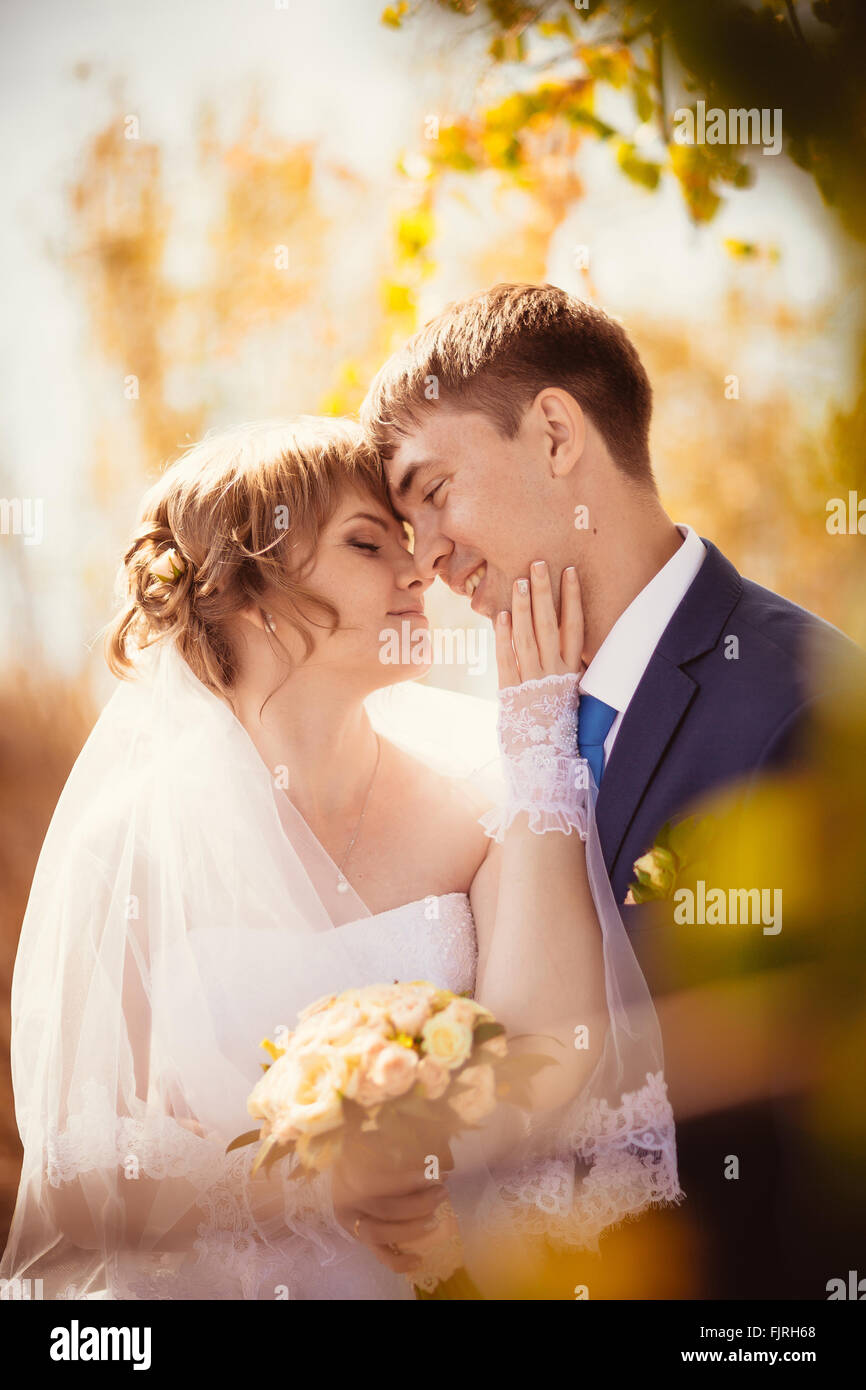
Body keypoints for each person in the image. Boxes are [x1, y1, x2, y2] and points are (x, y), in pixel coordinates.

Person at [1, 417, 679, 1301]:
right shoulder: (126, 848)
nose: (419, 571)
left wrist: (446, 1186)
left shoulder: (482, 793)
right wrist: (297, 1184)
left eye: (409, 544)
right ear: (252, 592)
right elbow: (85, 1165)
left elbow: (545, 1056)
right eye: (369, 545)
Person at [359, 281, 866, 1297]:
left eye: (434, 490)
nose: (430, 557)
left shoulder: (803, 702)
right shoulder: (494, 745)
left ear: (554, 434)